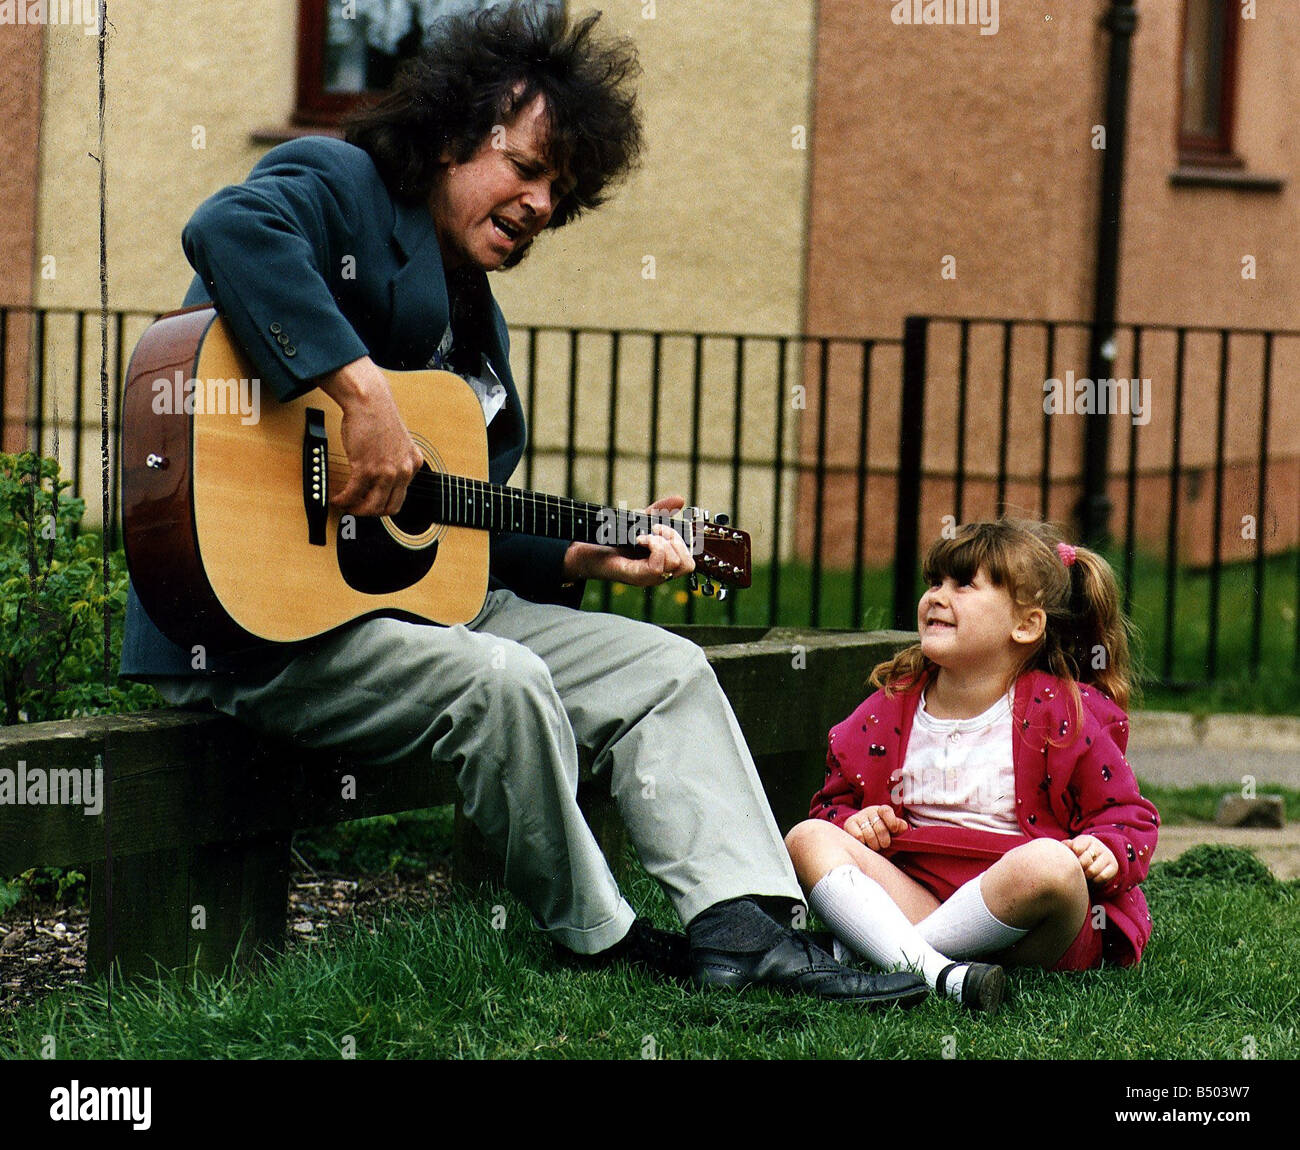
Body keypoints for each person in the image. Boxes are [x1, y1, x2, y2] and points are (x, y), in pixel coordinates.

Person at [120, 3, 926, 1007]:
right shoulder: (341, 185)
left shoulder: (477, 329)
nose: (542, 203)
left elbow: (439, 538)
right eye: (527, 167)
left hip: (405, 620)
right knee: (499, 675)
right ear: (452, 133)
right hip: (254, 628)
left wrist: (582, 554)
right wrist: (359, 394)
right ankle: (600, 935)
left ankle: (744, 928)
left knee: (664, 669)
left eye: (562, 191)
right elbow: (230, 227)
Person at [784, 518, 1160, 1014]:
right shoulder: (889, 706)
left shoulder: (1064, 712)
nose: (938, 596)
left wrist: (1106, 849)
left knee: (1050, 863)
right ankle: (939, 972)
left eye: (964, 585)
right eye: (935, 582)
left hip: (1025, 921)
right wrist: (854, 823)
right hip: (915, 892)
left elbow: (1127, 815)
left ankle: (884, 953)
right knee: (806, 838)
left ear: (1025, 626)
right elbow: (834, 804)